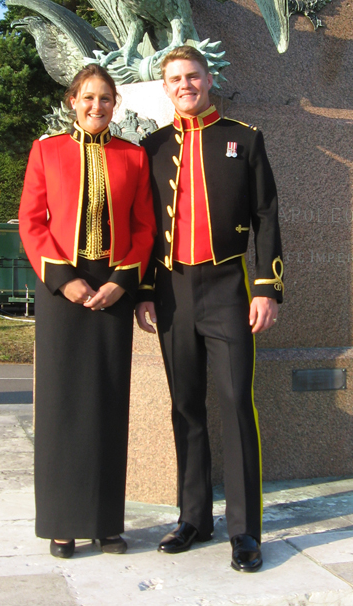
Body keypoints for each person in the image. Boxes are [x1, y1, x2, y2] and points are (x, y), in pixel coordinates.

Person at [136, 46, 283, 572]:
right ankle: (193, 517)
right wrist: (144, 291)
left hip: (227, 288)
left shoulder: (244, 139)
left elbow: (266, 215)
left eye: (192, 76)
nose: (184, 85)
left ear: (208, 78)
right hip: (171, 291)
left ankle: (245, 529)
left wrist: (265, 287)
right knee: (186, 408)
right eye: (174, 78)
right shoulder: (150, 148)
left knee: (235, 403)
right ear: (165, 86)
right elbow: (142, 229)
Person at [19, 63, 155, 559]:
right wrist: (63, 280)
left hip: (113, 291)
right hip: (62, 292)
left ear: (115, 105)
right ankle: (62, 524)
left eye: (105, 99)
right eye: (88, 98)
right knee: (62, 408)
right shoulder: (46, 151)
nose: (97, 106)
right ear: (72, 102)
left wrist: (124, 283)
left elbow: (145, 228)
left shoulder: (134, 157)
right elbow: (32, 222)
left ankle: (105, 523)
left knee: (107, 406)